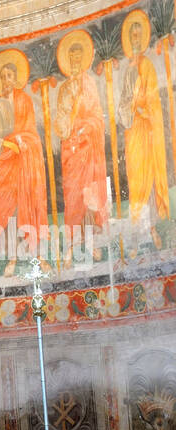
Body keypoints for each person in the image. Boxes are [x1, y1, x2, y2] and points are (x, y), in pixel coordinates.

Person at [0, 52, 48, 275]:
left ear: (16, 77)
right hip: (5, 165)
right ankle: (12, 257)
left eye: (9, 75)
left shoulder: (25, 101)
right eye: (2, 77)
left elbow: (31, 133)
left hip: (25, 164)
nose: (5, 80)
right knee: (8, 211)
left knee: (29, 204)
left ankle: (37, 254)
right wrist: (8, 144)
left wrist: (23, 142)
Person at [53, 35, 108, 259]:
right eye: (71, 59)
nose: (75, 63)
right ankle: (74, 243)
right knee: (74, 195)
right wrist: (69, 129)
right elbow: (61, 120)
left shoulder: (90, 84)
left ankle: (92, 241)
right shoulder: (64, 89)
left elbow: (97, 117)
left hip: (89, 148)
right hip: (72, 150)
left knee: (90, 194)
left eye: (78, 59)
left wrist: (87, 127)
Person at [118, 13, 170, 247]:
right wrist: (128, 110)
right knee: (135, 178)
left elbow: (153, 99)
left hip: (147, 131)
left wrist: (143, 109)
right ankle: (138, 232)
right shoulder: (127, 70)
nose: (135, 41)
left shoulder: (147, 65)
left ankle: (152, 228)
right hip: (133, 133)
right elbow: (121, 104)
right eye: (132, 37)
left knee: (148, 178)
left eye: (139, 36)